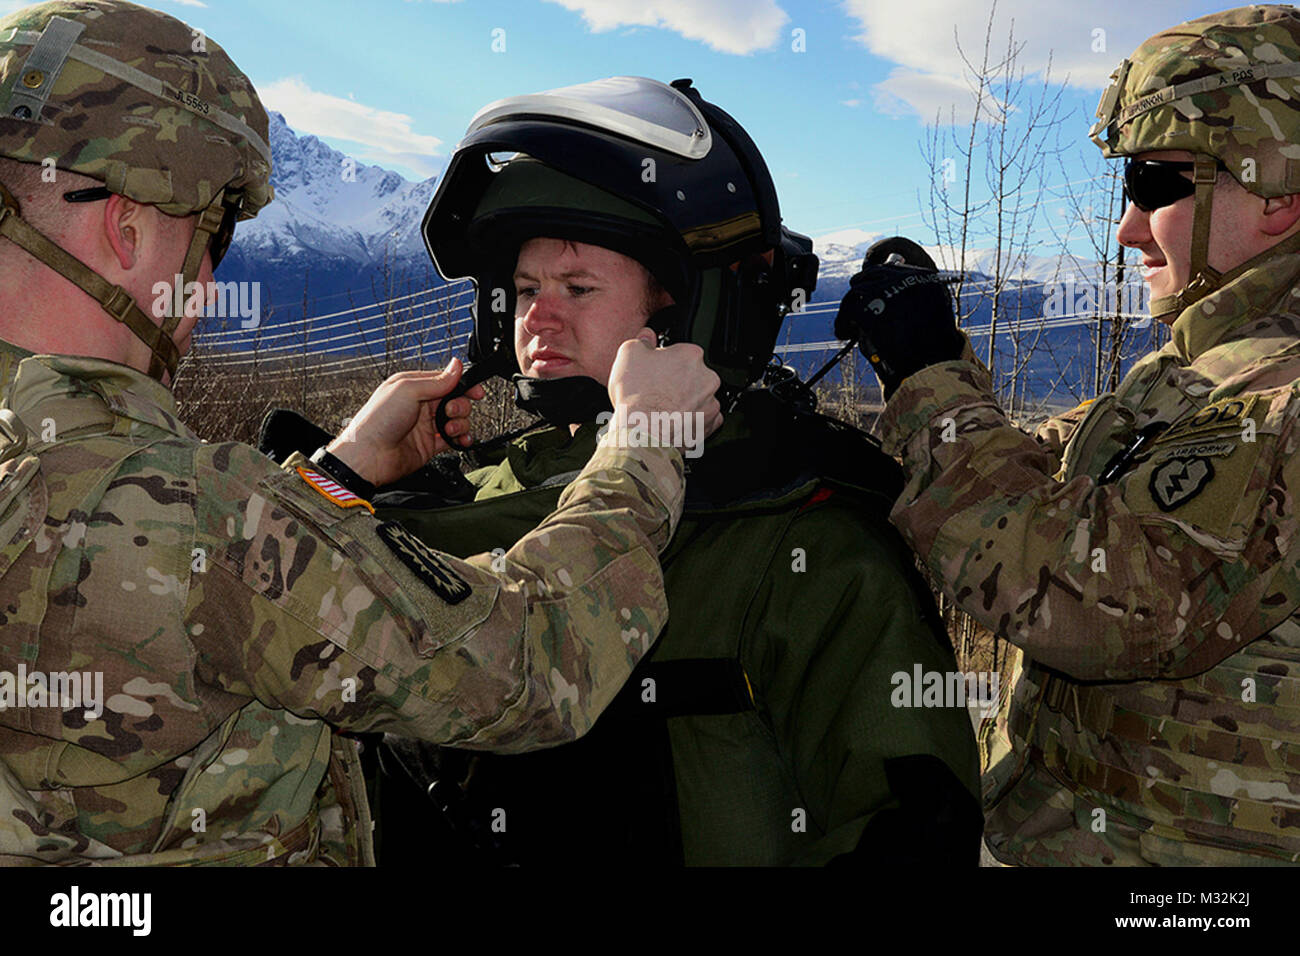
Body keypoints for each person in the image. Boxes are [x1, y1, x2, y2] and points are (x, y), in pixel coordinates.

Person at [0, 1, 722, 865]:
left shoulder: (84, 475)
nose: (207, 280)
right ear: (127, 231)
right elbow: (533, 664)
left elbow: (223, 611)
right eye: (215, 237)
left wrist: (340, 472)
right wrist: (646, 443)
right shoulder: (201, 512)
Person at [356, 77, 982, 866]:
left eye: (578, 288)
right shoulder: (447, 494)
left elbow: (909, 831)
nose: (539, 318)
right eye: (523, 291)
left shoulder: (803, 544)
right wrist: (338, 473)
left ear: (685, 317)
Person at [839, 4, 1300, 865]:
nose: (1127, 228)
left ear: (1279, 194)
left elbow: (1104, 606)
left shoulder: (1281, 396)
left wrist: (929, 379)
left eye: (1157, 185)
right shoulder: (1202, 370)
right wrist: (896, 424)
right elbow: (1058, 468)